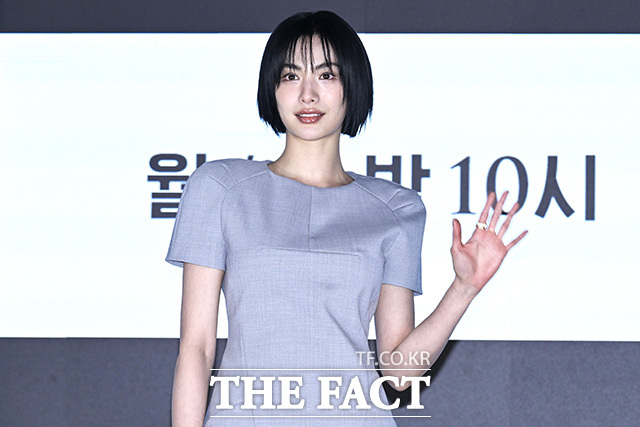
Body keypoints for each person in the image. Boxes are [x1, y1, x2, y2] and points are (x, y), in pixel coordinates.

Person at [166, 10, 526, 427]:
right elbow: (197, 349)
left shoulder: (396, 209)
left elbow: (399, 372)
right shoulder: (219, 189)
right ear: (272, 88)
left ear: (352, 86)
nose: (308, 94)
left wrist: (464, 288)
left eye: (326, 75)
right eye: (290, 76)